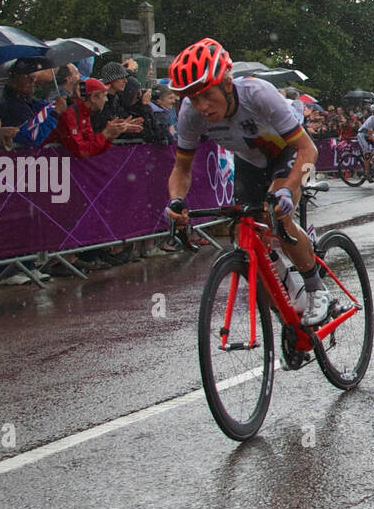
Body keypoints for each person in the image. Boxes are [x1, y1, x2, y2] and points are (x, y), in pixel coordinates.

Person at [163, 38, 330, 326]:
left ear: (227, 83)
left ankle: (316, 288)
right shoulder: (190, 114)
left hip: (287, 153)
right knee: (246, 231)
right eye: (192, 97)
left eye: (206, 95)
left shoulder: (258, 94)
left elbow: (308, 150)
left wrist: (289, 190)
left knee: (276, 215)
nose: (201, 106)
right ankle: (289, 298)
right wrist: (176, 201)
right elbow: (181, 168)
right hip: (250, 162)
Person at [47, 77, 138, 158]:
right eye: (104, 95)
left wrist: (112, 135)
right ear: (94, 97)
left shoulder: (85, 113)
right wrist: (106, 134)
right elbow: (81, 151)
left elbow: (92, 147)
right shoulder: (71, 114)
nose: (106, 100)